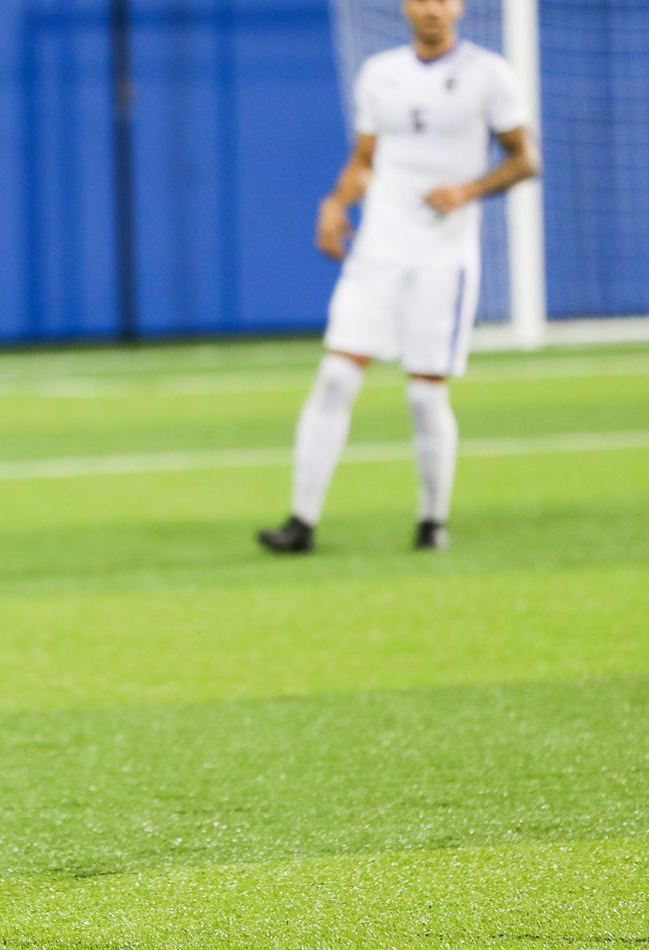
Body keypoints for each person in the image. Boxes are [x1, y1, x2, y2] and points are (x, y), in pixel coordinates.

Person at [259, 0, 539, 554]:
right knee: (336, 377)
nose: (432, 9)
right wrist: (337, 202)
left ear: (458, 7)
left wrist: (466, 191)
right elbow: (365, 159)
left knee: (422, 396)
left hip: (443, 255)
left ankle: (432, 522)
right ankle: (301, 523)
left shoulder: (489, 74)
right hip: (380, 249)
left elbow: (524, 158)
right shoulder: (380, 74)